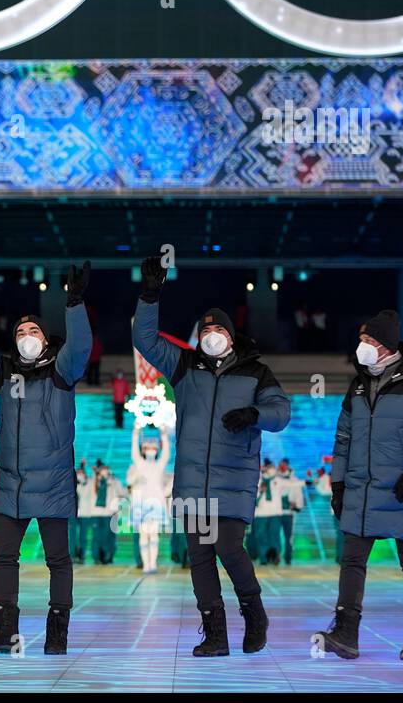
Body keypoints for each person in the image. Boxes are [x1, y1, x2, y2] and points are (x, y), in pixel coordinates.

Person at [132, 255, 291, 657]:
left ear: (231, 337)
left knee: (229, 548)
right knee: (200, 557)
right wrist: (150, 295)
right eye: (206, 330)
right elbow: (145, 342)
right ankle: (215, 634)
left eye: (219, 329)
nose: (212, 335)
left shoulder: (256, 372)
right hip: (192, 482)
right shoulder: (185, 365)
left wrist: (255, 414)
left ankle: (254, 614)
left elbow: (281, 412)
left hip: (232, 480)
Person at [0, 265, 90, 655]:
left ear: (46, 338)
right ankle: (5, 630)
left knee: (58, 560)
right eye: (21, 332)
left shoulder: (62, 370)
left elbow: (81, 346)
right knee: (4, 558)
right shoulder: (4, 370)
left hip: (53, 484)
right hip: (10, 483)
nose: (27, 337)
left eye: (34, 331)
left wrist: (74, 304)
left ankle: (57, 632)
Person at [314, 310, 403, 661]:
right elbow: (343, 439)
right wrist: (338, 484)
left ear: (387, 345)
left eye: (370, 340)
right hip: (362, 490)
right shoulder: (358, 385)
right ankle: (346, 633)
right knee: (352, 559)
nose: (363, 346)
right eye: (361, 340)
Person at [128, 429, 170, 575]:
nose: (151, 449)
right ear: (143, 450)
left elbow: (166, 454)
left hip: (156, 503)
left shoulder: (159, 465)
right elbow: (134, 452)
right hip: (141, 503)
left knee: (154, 534)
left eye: (153, 447)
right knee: (143, 534)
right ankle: (146, 564)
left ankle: (153, 563)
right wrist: (135, 434)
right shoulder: (139, 464)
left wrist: (164, 435)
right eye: (147, 447)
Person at [81, 460, 122, 565]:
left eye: (106, 469)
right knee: (96, 537)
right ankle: (96, 557)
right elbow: (85, 490)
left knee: (107, 537)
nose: (104, 471)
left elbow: (120, 494)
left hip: (108, 513)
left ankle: (106, 556)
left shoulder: (113, 481)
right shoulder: (92, 481)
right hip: (95, 513)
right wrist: (88, 471)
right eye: (102, 469)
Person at [251, 461, 284, 565]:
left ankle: (274, 557)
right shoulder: (256, 480)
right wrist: (260, 491)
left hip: (275, 512)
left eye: (272, 467)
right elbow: (250, 495)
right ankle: (264, 558)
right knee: (261, 536)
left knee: (274, 535)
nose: (270, 469)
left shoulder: (278, 480)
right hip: (260, 513)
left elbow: (290, 486)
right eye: (268, 467)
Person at [276, 459, 305, 565]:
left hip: (289, 513)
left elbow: (299, 496)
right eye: (280, 465)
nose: (282, 467)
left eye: (284, 465)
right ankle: (275, 557)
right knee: (275, 536)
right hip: (276, 513)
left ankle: (288, 557)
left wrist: (297, 506)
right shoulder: (274, 478)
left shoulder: (294, 480)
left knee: (288, 537)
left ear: (288, 466)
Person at [69, 462, 89, 563]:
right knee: (72, 535)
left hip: (85, 512)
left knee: (83, 536)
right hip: (73, 512)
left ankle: (82, 555)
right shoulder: (70, 483)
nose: (80, 474)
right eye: (78, 472)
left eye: (82, 472)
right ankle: (72, 555)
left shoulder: (89, 483)